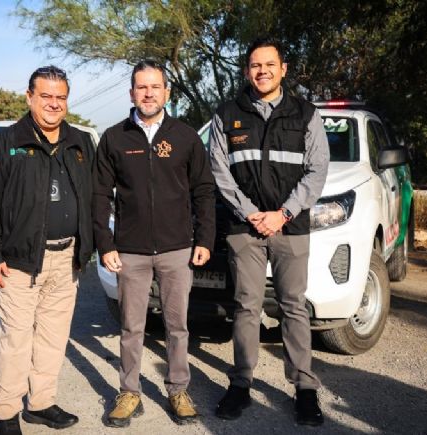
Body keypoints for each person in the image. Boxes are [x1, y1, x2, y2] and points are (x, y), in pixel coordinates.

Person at [209, 36, 330, 426]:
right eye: (255, 65)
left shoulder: (306, 114)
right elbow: (219, 172)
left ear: (283, 69)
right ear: (247, 71)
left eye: (269, 64)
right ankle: (241, 384)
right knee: (246, 305)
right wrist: (252, 214)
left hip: (290, 227)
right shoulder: (226, 115)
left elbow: (317, 171)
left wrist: (282, 213)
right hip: (245, 229)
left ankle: (305, 389)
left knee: (293, 306)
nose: (262, 71)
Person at [0, 65, 96, 435]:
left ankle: (40, 403)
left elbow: (95, 197)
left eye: (61, 97)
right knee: (16, 341)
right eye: (46, 96)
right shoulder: (6, 142)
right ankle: (7, 413)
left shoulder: (80, 143)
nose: (54, 104)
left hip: (66, 258)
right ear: (29, 97)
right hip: (19, 261)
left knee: (54, 339)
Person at [92, 60, 216, 427]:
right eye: (141, 88)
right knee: (132, 327)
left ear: (167, 92)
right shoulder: (115, 137)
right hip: (130, 250)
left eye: (155, 87)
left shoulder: (185, 136)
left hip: (178, 249)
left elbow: (204, 191)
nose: (148, 93)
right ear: (132, 93)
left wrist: (204, 237)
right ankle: (129, 392)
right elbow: (99, 195)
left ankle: (178, 389)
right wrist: (106, 243)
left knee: (177, 326)